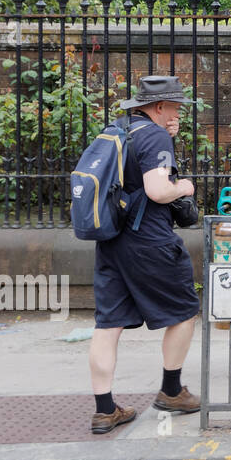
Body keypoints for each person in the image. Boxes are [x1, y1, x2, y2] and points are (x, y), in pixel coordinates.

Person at [88, 76, 201, 433]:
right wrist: (182, 186)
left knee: (108, 325)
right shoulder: (154, 135)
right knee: (184, 311)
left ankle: (105, 410)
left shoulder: (118, 130)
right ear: (157, 107)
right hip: (149, 241)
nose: (178, 112)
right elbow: (156, 189)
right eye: (175, 106)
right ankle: (171, 391)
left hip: (112, 241)